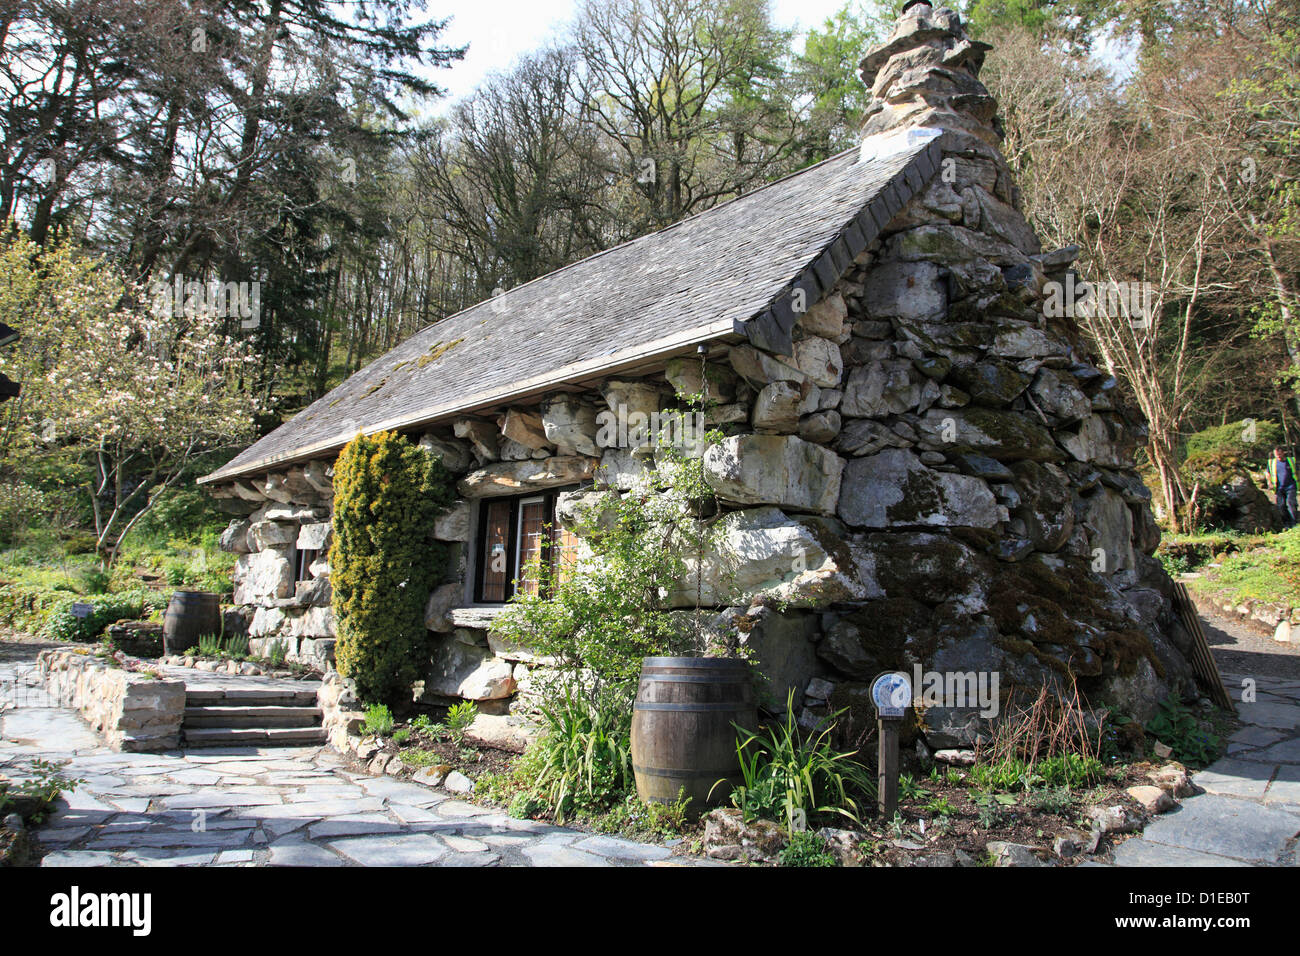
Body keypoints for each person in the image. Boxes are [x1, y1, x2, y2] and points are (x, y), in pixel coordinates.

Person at [1267, 446, 1299, 529]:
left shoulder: (1291, 461)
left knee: (1291, 504)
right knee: (1281, 506)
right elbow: (1268, 473)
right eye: (1276, 455)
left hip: (1291, 486)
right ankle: (1286, 524)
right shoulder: (1272, 463)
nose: (1278, 456)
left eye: (1279, 454)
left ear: (1283, 453)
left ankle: (1294, 523)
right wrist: (1269, 482)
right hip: (1279, 488)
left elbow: (1297, 471)